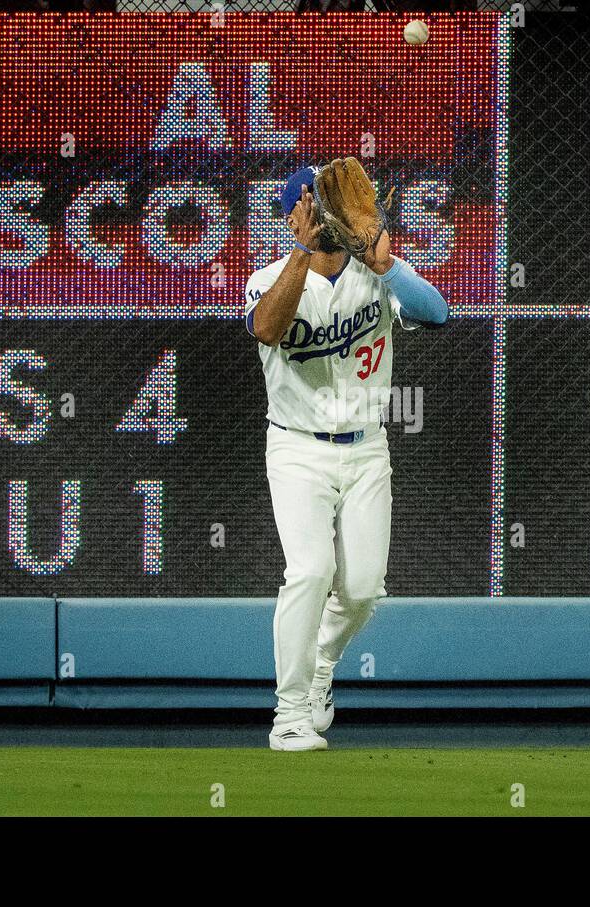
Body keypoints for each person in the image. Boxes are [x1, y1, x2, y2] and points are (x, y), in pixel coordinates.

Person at [245, 162, 448, 751]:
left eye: (333, 209)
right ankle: (288, 715)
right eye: (315, 208)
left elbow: (438, 313)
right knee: (308, 572)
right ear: (292, 219)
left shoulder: (376, 277)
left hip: (366, 449)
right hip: (297, 448)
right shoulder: (268, 279)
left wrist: (388, 262)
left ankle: (321, 665)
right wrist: (303, 256)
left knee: (361, 589)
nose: (328, 218)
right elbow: (266, 329)